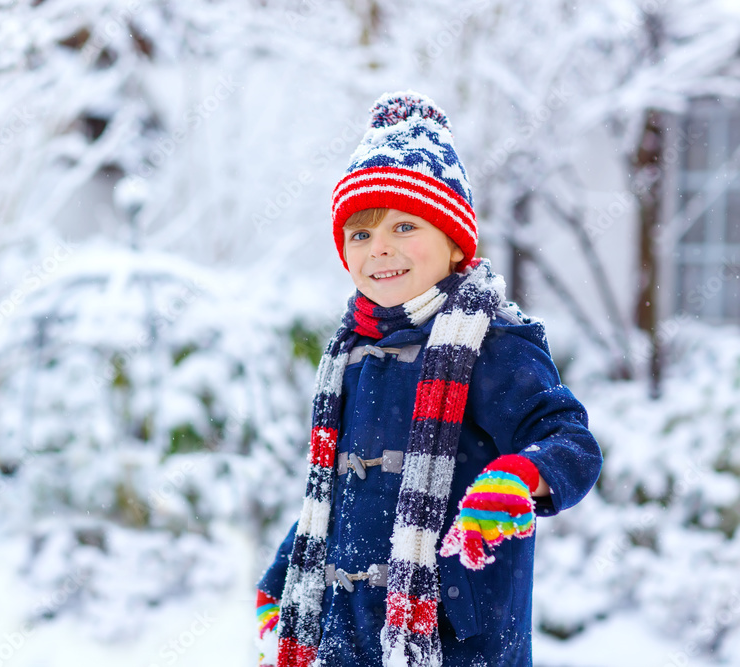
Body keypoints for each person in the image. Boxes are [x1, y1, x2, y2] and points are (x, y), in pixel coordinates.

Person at [253, 90, 603, 667]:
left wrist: (522, 476)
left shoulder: (491, 344)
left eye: (405, 226)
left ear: (453, 240)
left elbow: (571, 442)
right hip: (347, 642)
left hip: (453, 640)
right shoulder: (353, 354)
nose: (380, 248)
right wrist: (283, 579)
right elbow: (343, 494)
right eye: (361, 234)